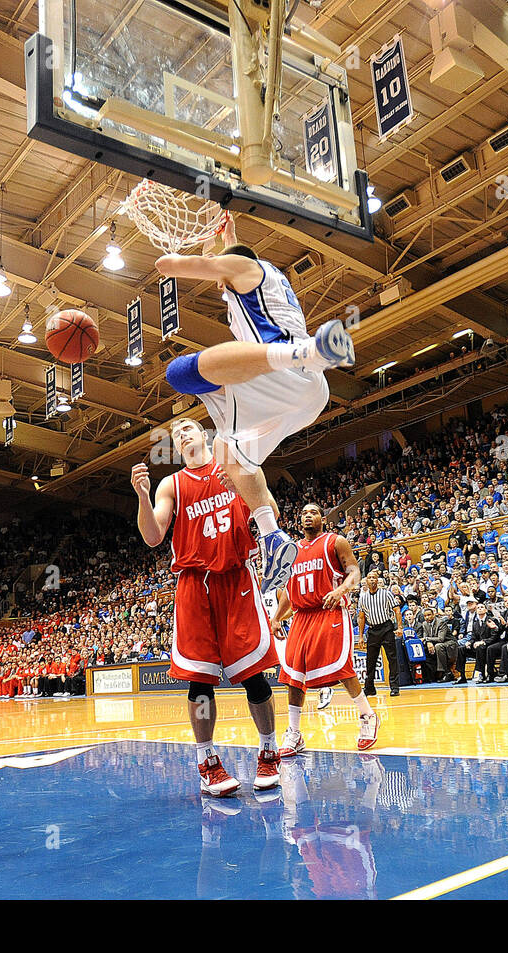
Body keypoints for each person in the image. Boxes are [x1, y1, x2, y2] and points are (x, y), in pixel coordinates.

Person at [154, 215, 355, 594]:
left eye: (221, 275)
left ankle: (308, 351)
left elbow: (170, 266)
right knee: (226, 453)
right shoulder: (262, 277)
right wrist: (224, 239)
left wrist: (180, 242)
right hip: (305, 392)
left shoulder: (242, 268)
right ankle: (272, 536)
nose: (218, 282)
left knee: (179, 373)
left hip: (284, 374)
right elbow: (227, 267)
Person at [131, 417, 282, 797]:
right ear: (177, 446)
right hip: (195, 585)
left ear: (204, 435)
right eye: (176, 431)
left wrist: (246, 494)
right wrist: (143, 497)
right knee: (200, 680)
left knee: (254, 674)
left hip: (236, 579)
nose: (182, 432)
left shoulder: (233, 465)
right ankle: (207, 760)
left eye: (188, 427)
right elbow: (152, 537)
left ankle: (269, 750)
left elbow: (271, 513)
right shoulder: (172, 485)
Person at [270, 503, 377, 756]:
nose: (308, 515)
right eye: (304, 512)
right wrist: (276, 618)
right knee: (293, 677)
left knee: (342, 668)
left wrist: (341, 590)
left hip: (329, 611)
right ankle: (294, 733)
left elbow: (354, 572)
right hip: (301, 617)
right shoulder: (292, 550)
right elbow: (289, 592)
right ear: (299, 521)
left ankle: (367, 715)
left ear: (322, 518)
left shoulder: (335, 542)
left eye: (313, 512)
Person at [356, 572, 405, 696]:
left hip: (386, 627)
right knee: (370, 661)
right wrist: (361, 636)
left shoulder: (387, 594)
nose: (372, 580)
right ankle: (370, 688)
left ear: (378, 581)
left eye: (374, 578)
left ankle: (394, 687)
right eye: (369, 578)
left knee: (392, 658)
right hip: (372, 630)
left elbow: (397, 610)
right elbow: (361, 618)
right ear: (366, 581)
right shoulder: (363, 597)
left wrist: (399, 627)